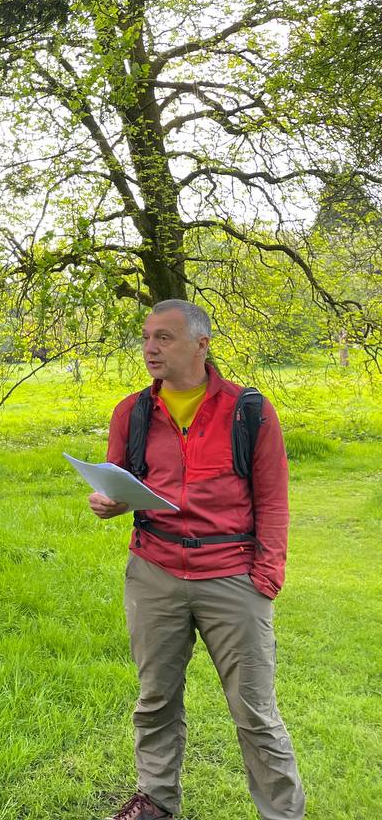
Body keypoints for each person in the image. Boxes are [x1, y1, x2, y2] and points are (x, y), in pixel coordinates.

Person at [88, 300, 304, 820]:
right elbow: (117, 483)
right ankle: (156, 801)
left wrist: (266, 577)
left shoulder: (250, 410)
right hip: (153, 573)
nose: (149, 348)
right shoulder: (132, 412)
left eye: (163, 337)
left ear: (201, 344)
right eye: (146, 337)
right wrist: (106, 503)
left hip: (232, 577)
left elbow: (273, 499)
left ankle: (282, 813)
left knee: (255, 712)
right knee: (155, 701)